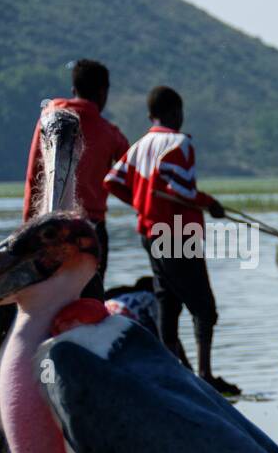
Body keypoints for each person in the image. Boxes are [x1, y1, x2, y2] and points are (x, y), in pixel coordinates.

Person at [105, 85, 239, 395]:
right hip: (178, 232)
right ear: (176, 112)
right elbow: (179, 188)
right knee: (203, 307)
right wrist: (209, 203)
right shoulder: (180, 143)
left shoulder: (140, 145)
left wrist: (142, 206)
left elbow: (113, 181)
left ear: (151, 115)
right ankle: (204, 375)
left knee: (168, 299)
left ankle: (173, 370)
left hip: (150, 232)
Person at [22, 59, 129, 300]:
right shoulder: (111, 134)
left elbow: (34, 177)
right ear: (103, 92)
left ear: (74, 90)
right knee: (89, 301)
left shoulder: (48, 122)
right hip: (90, 230)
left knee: (49, 297)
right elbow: (132, 177)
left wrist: (28, 228)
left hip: (47, 226)